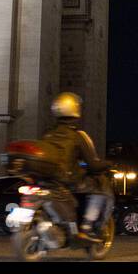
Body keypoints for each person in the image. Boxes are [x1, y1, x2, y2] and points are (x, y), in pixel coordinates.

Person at [39, 92, 111, 245]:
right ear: (75, 112)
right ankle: (86, 227)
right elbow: (93, 164)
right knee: (100, 187)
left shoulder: (47, 134)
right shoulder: (78, 136)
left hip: (47, 179)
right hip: (68, 180)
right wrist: (110, 164)